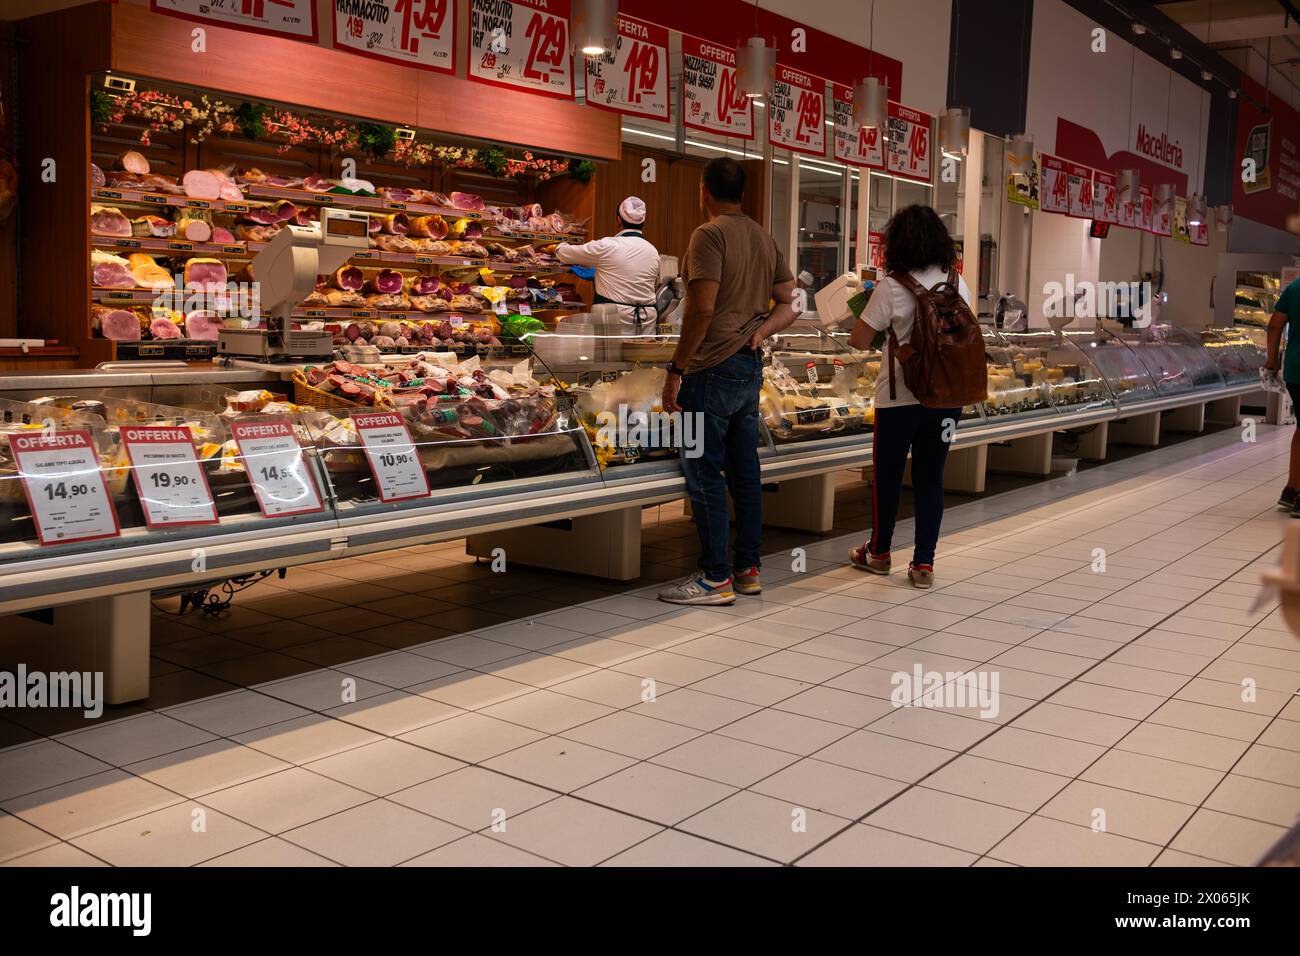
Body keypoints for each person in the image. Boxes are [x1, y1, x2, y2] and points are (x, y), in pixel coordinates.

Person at [658, 158, 799, 606]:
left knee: (702, 473)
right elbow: (794, 299)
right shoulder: (762, 235)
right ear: (742, 193)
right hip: (746, 371)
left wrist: (676, 369)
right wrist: (762, 331)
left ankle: (715, 577)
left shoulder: (709, 235)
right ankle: (747, 569)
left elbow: (701, 310)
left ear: (704, 190)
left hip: (708, 372)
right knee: (744, 473)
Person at [848, 204, 972, 589]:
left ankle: (879, 553)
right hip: (947, 397)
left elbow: (858, 340)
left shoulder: (891, 286)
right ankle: (923, 565)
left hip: (898, 398)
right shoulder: (957, 281)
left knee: (887, 477)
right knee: (931, 478)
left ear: (897, 244)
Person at [555, 197, 661, 333]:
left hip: (613, 319)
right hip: (646, 320)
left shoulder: (607, 246)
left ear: (618, 220)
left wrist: (557, 246)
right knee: (641, 354)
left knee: (612, 354)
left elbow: (565, 254)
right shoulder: (653, 251)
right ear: (643, 222)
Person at [1265, 275, 1300, 514]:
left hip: (1296, 371)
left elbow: (1274, 325)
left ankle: (1291, 490)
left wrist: (1271, 360)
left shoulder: (1296, 287)